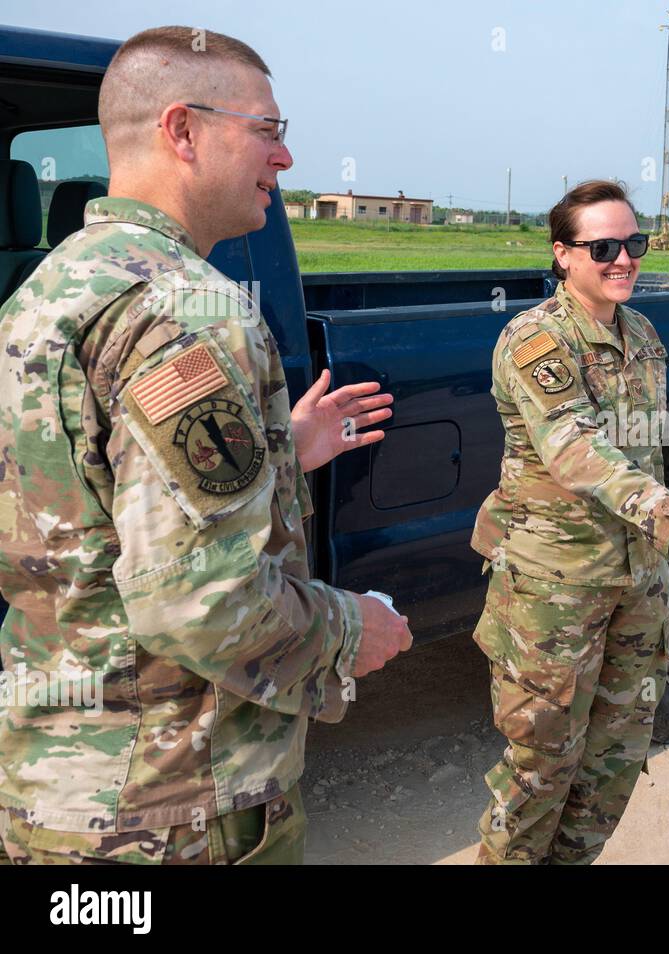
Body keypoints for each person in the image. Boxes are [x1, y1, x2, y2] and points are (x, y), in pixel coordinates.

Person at [0, 27, 410, 866]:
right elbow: (199, 605)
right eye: (267, 129)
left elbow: (80, 506)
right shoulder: (186, 312)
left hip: (58, 792)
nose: (288, 157)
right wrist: (350, 629)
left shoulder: (49, 290)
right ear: (182, 131)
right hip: (175, 809)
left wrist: (275, 450)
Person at [468, 180, 669, 864]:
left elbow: (640, 456)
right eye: (603, 247)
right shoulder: (533, 339)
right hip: (555, 592)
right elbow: (576, 452)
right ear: (564, 255)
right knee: (542, 768)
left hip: (636, 582)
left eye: (634, 243)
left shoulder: (644, 336)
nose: (623, 259)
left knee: (613, 761)